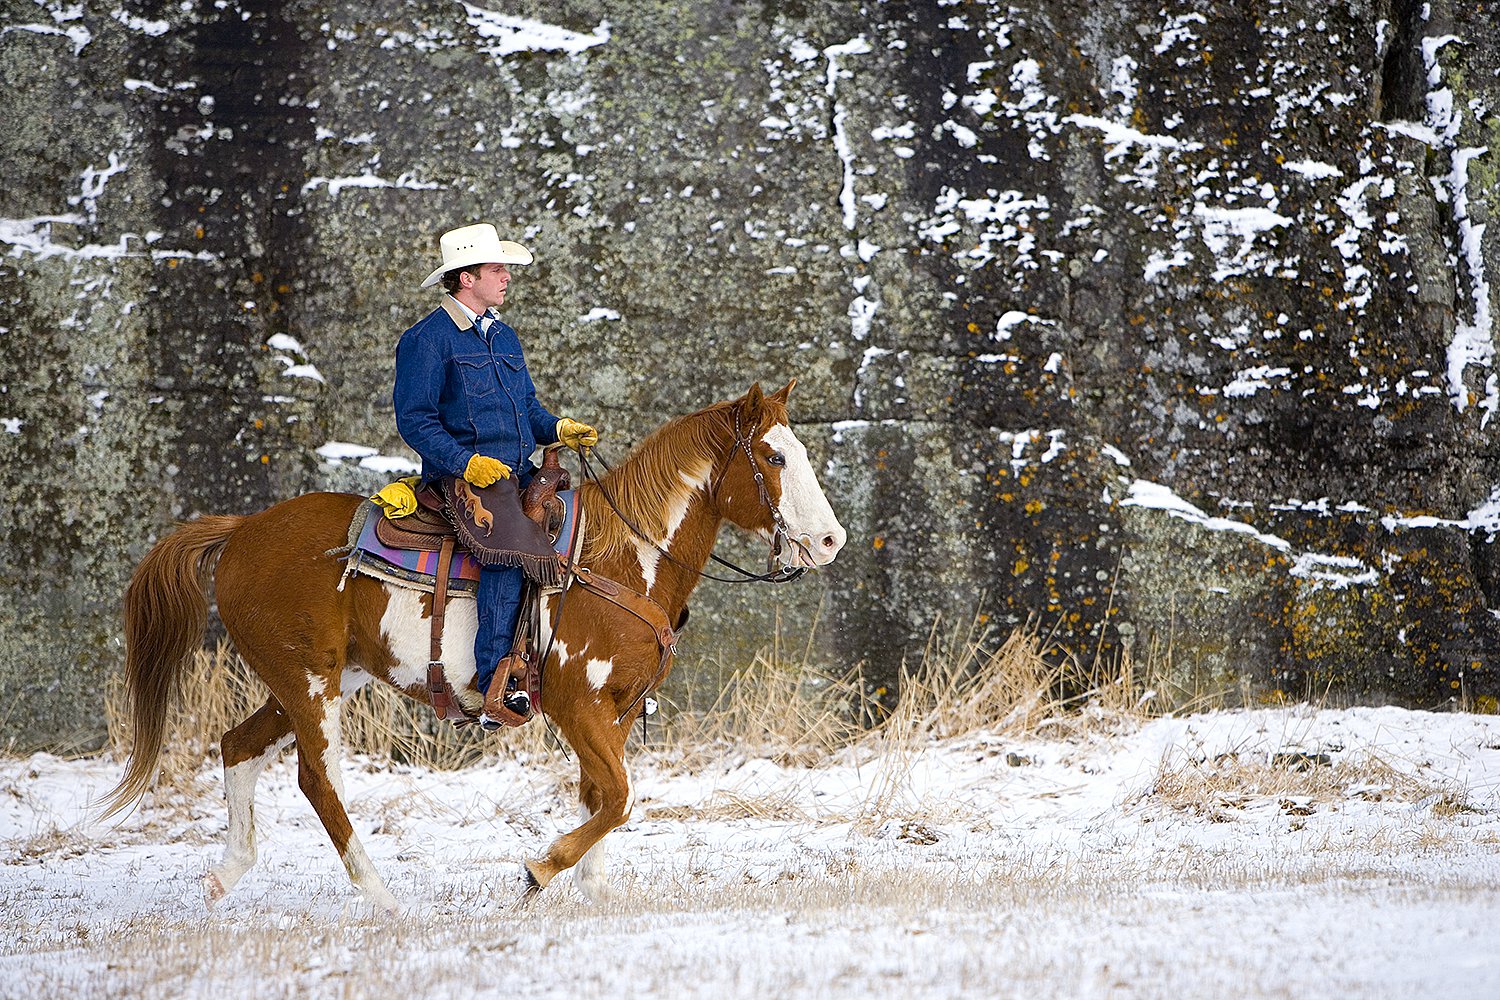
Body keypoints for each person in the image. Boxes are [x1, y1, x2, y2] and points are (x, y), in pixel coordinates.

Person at [393, 223, 597, 725]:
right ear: (466, 278)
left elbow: (526, 407)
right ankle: (494, 685)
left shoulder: (503, 335)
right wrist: (464, 463)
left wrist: (557, 427)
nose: (507, 277)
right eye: (496, 269)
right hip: (462, 478)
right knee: (507, 553)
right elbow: (414, 419)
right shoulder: (427, 339)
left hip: (514, 472)